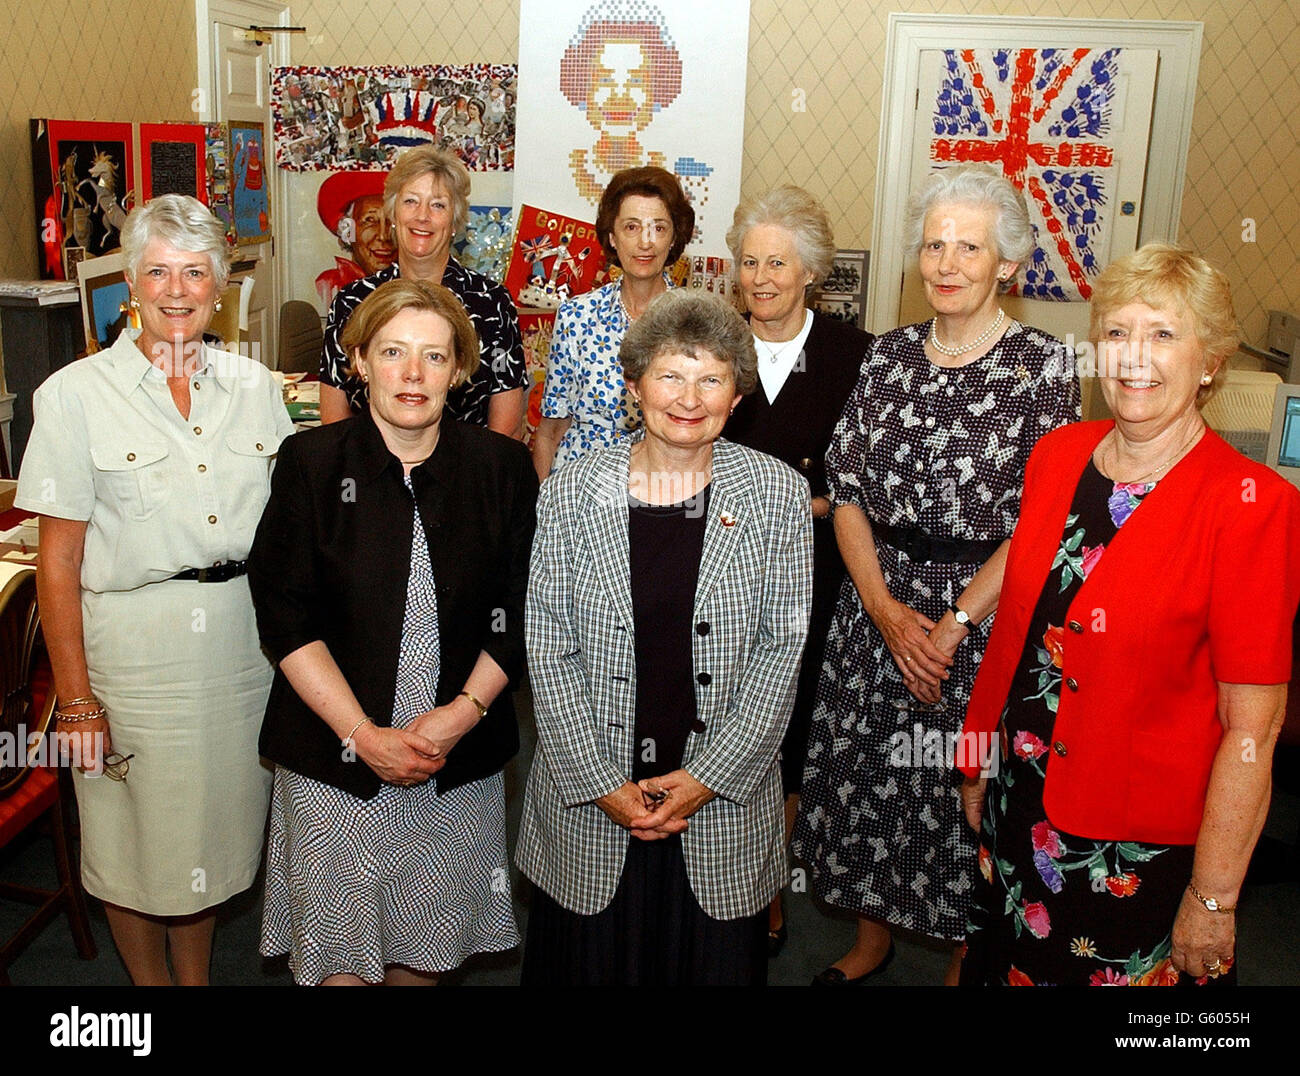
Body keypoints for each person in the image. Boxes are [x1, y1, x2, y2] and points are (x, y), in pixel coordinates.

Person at [957, 244, 1300, 986]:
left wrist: (1214, 897)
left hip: (1132, 854)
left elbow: (1254, 728)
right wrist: (978, 759)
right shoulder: (1059, 455)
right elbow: (1017, 637)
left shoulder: (1252, 509)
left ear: (1210, 361)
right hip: (1022, 802)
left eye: (1163, 334)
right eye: (1116, 333)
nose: (1133, 357)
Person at [791, 164, 1080, 985]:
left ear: (1007, 264)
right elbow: (844, 490)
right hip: (873, 605)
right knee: (869, 782)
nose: (946, 263)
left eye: (969, 247)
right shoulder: (885, 357)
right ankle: (872, 939)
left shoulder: (1045, 368)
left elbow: (1041, 522)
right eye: (933, 244)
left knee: (960, 795)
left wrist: (952, 624)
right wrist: (882, 608)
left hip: (978, 623)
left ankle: (965, 953)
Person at [16, 194, 293, 984]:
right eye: (159, 272)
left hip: (242, 655)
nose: (178, 290)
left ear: (221, 285)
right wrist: (74, 701)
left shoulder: (255, 387)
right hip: (131, 662)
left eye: (196, 272)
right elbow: (57, 563)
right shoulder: (73, 396)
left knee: (207, 840)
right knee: (135, 844)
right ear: (130, 284)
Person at [517, 290, 813, 986]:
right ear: (633, 385)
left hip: (720, 805)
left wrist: (706, 780)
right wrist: (601, 784)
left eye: (711, 378)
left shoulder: (776, 494)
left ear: (736, 397)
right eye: (670, 375)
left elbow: (783, 648)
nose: (690, 396)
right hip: (591, 802)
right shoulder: (569, 490)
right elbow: (546, 644)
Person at [249, 279, 537, 985]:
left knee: (428, 949)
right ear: (358, 361)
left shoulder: (499, 469)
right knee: (342, 960)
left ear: (460, 371)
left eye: (434, 357)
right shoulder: (311, 465)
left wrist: (460, 717)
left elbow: (523, 607)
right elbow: (285, 617)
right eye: (393, 353)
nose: (413, 374)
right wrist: (361, 735)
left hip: (454, 757)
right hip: (334, 757)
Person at [722, 185, 874, 954]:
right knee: (725, 718)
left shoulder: (860, 354)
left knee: (794, 729)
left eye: (778, 261)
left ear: (811, 269)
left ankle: (768, 881)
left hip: (821, 573)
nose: (761, 277)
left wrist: (800, 507)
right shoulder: (713, 342)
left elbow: (870, 481)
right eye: (748, 260)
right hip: (719, 568)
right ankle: (731, 876)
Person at [318, 146, 527, 436]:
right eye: (411, 202)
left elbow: (507, 428)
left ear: (455, 221)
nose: (422, 217)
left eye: (438, 205)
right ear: (392, 214)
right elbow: (333, 421)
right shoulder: (352, 302)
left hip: (468, 473)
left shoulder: (492, 303)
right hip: (367, 472)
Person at [532, 166, 694, 479]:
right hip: (580, 488)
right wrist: (545, 512)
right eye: (632, 227)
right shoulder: (575, 317)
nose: (645, 242)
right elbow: (550, 431)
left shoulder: (695, 322)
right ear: (612, 237)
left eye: (659, 228)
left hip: (665, 487)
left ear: (674, 238)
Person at [559, 0, 683, 206]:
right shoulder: (569, 166)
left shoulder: (671, 176)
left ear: (657, 89)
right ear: (583, 87)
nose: (619, 96)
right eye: (605, 80)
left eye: (636, 81)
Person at [313, 171, 396, 305]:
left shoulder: (415, 284)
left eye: (392, 220)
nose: (383, 236)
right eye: (370, 220)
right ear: (347, 230)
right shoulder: (330, 286)